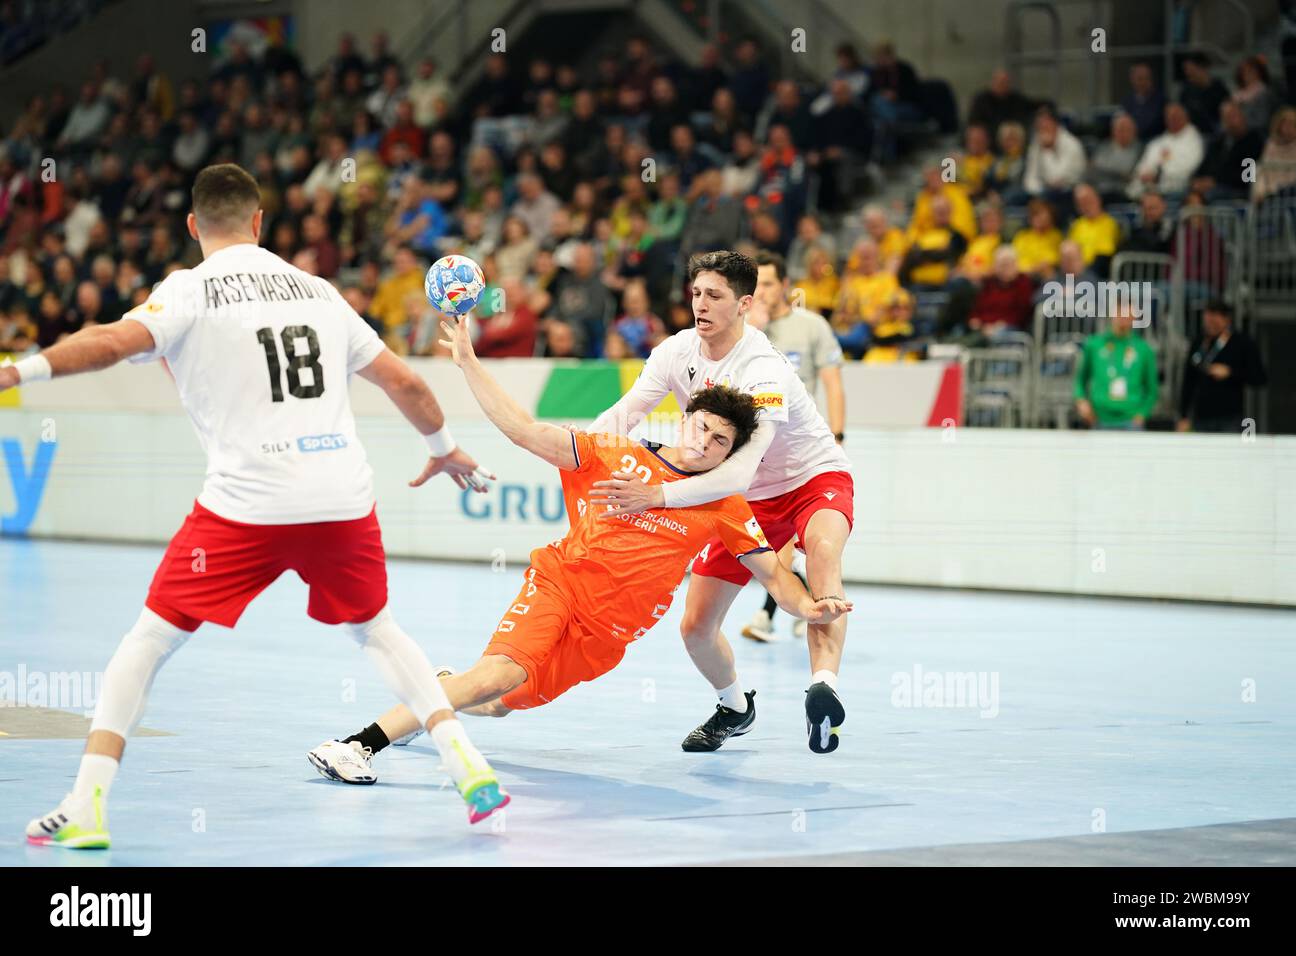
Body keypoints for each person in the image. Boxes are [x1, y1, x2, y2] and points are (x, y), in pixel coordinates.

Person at [3, 164, 509, 848]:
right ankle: (468, 766)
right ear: (260, 221)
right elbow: (407, 383)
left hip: (247, 504)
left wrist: (19, 370)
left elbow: (108, 344)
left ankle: (86, 804)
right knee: (378, 632)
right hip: (340, 497)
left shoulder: (188, 289)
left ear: (193, 225)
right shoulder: (320, 291)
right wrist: (444, 449)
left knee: (148, 641)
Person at [308, 320, 851, 782]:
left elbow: (775, 577)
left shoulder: (724, 504)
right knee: (498, 674)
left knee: (496, 703)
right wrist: (469, 362)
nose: (704, 444)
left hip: (604, 638)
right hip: (560, 588)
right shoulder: (613, 454)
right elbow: (523, 430)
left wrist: (809, 607)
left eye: (720, 443)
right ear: (686, 417)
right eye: (702, 428)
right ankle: (356, 744)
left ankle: (440, 693)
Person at [586, 251, 856, 755]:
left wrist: (657, 496)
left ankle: (824, 688)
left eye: (714, 295)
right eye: (696, 293)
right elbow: (623, 418)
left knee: (823, 554)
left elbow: (737, 470)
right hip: (746, 501)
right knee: (696, 627)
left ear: (744, 304)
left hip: (811, 477)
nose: (700, 304)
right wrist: (577, 453)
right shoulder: (675, 351)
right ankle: (734, 707)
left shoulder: (763, 369)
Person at [741, 251, 845, 643]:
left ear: (785, 285)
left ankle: (775, 615)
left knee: (795, 543)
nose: (762, 293)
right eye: (755, 286)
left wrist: (838, 435)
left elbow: (833, 383)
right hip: (759, 454)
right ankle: (799, 607)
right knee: (774, 545)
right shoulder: (746, 329)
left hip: (803, 454)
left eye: (768, 284)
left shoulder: (811, 326)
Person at [1177, 300, 1267, 433]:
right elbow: (1188, 380)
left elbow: (1259, 377)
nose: (1210, 326)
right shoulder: (1199, 342)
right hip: (1201, 417)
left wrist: (1231, 373)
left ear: (1226, 319)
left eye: (1214, 322)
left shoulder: (1241, 343)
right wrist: (1183, 415)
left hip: (1230, 417)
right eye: (1207, 322)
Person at [1073, 304, 1159, 430]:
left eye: (1128, 315)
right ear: (1112, 314)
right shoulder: (1094, 345)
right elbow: (1080, 380)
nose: (1123, 318)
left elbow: (1152, 388)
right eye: (1120, 313)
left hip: (1131, 420)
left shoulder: (1143, 349)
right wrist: (1081, 401)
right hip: (1099, 418)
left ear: (1134, 317)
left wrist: (1142, 414)